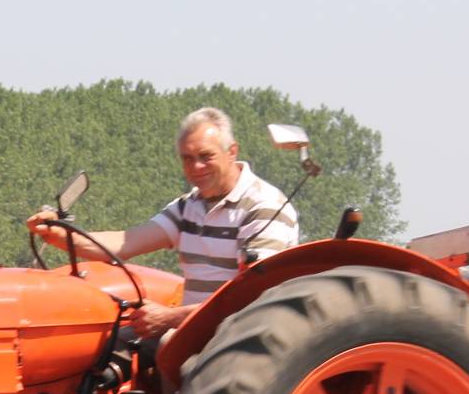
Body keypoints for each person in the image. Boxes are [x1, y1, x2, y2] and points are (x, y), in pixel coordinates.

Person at [26, 107, 301, 338]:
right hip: (196, 330)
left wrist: (170, 317)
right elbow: (125, 243)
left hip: (238, 336)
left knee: (164, 354)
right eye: (187, 159)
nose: (196, 168)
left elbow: (251, 299)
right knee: (110, 349)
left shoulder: (264, 207)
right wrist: (59, 234)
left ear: (231, 152)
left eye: (206, 156)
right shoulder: (188, 206)